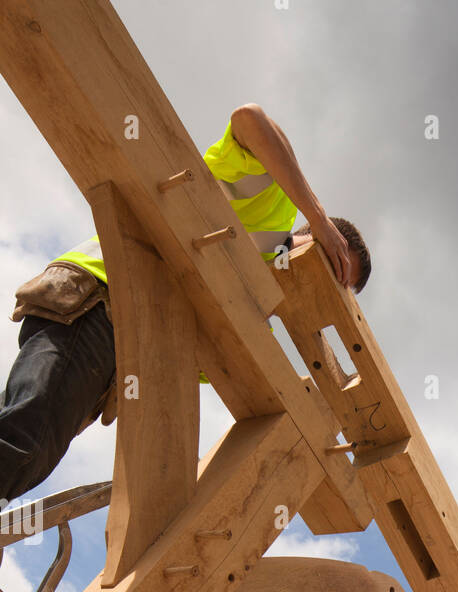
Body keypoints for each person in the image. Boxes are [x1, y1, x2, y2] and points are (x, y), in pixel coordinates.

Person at [0, 103, 372, 504]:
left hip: (113, 355)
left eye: (337, 288)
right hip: (100, 302)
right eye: (332, 261)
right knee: (28, 443)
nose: (324, 282)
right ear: (322, 238)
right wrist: (317, 216)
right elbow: (251, 120)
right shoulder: (272, 206)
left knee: (32, 452)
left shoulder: (252, 312)